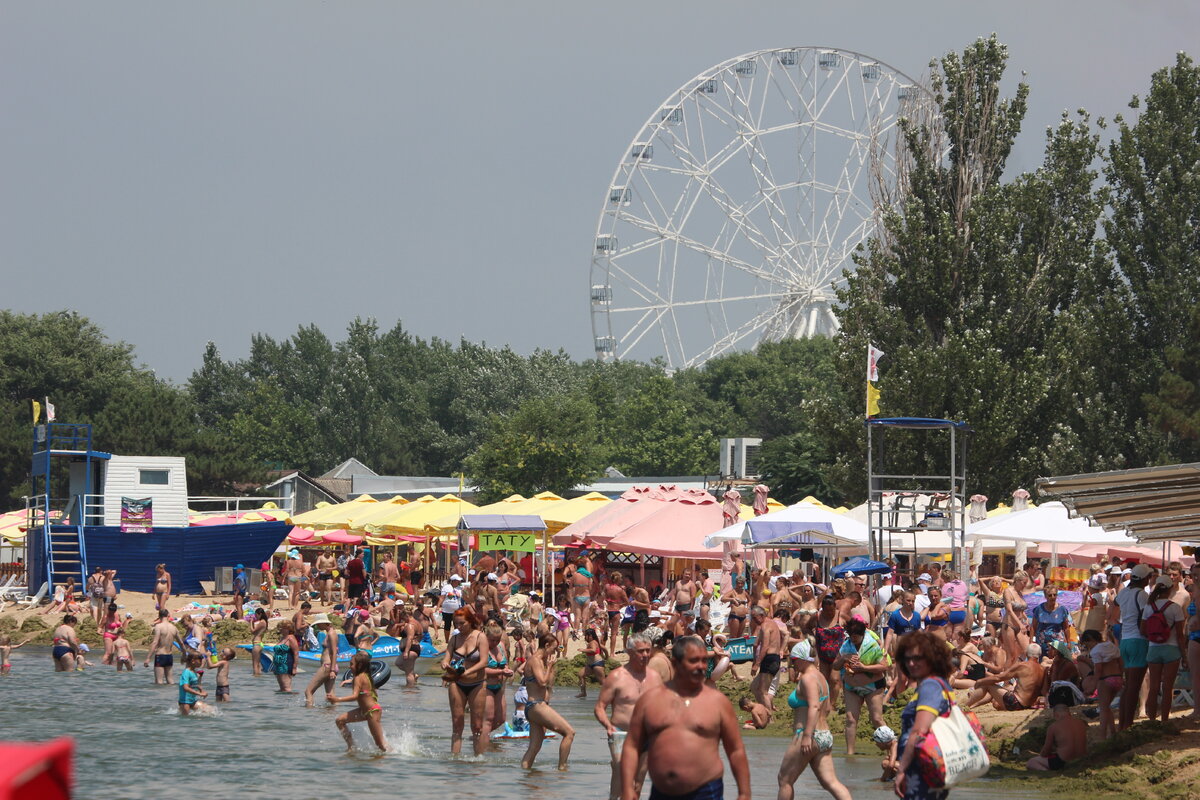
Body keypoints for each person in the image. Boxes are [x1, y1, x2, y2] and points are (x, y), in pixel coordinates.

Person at [621, 635, 750, 800]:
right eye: (694, 661)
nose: (701, 666)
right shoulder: (651, 700)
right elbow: (632, 746)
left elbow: (736, 750)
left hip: (706, 791)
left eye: (704, 661)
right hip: (662, 792)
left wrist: (744, 793)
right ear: (675, 663)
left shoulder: (718, 702)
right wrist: (626, 789)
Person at [777, 638, 852, 800]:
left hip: (808, 735)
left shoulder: (808, 678)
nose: (792, 664)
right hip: (824, 736)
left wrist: (806, 736)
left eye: (794, 660)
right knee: (831, 783)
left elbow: (814, 707)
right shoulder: (821, 678)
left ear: (804, 659)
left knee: (784, 779)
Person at [595, 631, 662, 800]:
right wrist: (608, 726)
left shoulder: (654, 677)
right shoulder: (617, 677)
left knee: (637, 783)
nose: (646, 655)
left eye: (648, 650)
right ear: (630, 652)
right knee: (621, 770)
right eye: (641, 651)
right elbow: (600, 707)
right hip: (620, 733)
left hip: (646, 735)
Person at [893, 630, 956, 800]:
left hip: (923, 768)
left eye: (918, 658)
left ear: (932, 658)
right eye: (907, 659)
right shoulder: (938, 684)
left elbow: (919, 730)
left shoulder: (930, 686)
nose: (911, 663)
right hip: (931, 766)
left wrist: (901, 769)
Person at [834, 618, 890, 755]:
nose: (853, 639)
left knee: (876, 718)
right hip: (851, 687)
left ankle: (892, 748)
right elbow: (835, 666)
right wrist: (844, 658)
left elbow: (884, 666)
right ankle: (850, 754)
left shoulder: (872, 645)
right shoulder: (846, 646)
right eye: (851, 636)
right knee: (850, 719)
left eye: (856, 637)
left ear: (862, 634)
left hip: (873, 687)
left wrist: (864, 667)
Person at [521, 632, 576, 770]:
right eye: (554, 648)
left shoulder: (542, 661)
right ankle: (562, 769)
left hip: (537, 706)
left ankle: (525, 776)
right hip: (536, 705)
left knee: (534, 747)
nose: (555, 651)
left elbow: (549, 684)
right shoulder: (534, 660)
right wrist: (549, 667)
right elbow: (542, 682)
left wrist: (551, 667)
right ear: (546, 645)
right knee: (569, 732)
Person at [443, 606, 489, 756]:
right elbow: (446, 658)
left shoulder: (480, 636)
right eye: (456, 624)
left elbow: (483, 662)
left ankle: (478, 759)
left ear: (470, 621)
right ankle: (454, 759)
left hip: (477, 683)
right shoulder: (455, 638)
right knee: (457, 724)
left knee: (477, 726)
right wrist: (445, 665)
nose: (458, 627)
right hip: (457, 684)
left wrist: (467, 672)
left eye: (462, 623)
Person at [1142, 574, 1186, 722]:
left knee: (1154, 687)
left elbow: (1143, 630)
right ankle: (1165, 720)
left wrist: (1154, 636)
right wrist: (1184, 656)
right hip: (1171, 649)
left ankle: (1152, 720)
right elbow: (1180, 635)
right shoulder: (1175, 608)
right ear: (1170, 589)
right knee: (1168, 688)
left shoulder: (1149, 607)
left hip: (1153, 649)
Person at [327, 651, 388, 753]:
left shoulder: (358, 678)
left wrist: (337, 699)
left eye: (351, 664)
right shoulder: (365, 675)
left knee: (380, 745)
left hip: (372, 712)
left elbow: (355, 696)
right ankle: (351, 747)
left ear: (359, 665)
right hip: (364, 711)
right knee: (340, 721)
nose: (349, 666)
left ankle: (388, 759)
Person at [1117, 563, 1153, 730]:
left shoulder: (1123, 592)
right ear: (1145, 578)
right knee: (1134, 686)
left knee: (1128, 685)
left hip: (1125, 640)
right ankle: (1128, 725)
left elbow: (1116, 606)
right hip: (1138, 640)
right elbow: (1144, 620)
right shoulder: (1142, 595)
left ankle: (1123, 723)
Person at [966, 643, 1045, 712]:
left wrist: (980, 681)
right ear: (1039, 654)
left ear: (1026, 653)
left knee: (987, 684)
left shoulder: (1023, 666)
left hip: (1016, 703)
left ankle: (965, 706)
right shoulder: (1042, 669)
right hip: (1027, 705)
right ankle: (972, 705)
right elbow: (1044, 690)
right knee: (996, 704)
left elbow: (999, 678)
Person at [1026, 684, 1088, 771]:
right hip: (1081, 760)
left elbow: (1045, 751)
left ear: (1056, 715)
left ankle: (1046, 772)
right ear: (1069, 713)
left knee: (1031, 762)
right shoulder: (1081, 723)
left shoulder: (1053, 727)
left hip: (1063, 762)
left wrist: (1042, 755)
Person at [1079, 629, 1121, 738]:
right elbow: (1120, 662)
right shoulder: (1111, 646)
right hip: (1117, 678)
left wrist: (1092, 687)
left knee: (1103, 709)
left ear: (1090, 640)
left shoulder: (1095, 651)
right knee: (1107, 707)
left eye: (1086, 644)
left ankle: (1102, 736)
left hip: (1105, 679)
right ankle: (1113, 732)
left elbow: (1098, 670)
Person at [304, 613, 340, 707]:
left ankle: (309, 712)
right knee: (330, 695)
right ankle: (332, 715)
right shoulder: (330, 633)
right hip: (331, 666)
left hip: (328, 666)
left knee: (308, 691)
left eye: (319, 624)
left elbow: (334, 652)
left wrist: (332, 670)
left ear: (324, 623)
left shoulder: (331, 634)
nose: (318, 626)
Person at [1032, 586, 1073, 655]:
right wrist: (1031, 641)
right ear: (1045, 596)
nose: (1053, 597)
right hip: (1042, 643)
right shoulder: (1039, 609)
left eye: (1055, 595)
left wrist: (1068, 642)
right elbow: (1033, 626)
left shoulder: (1062, 609)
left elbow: (1066, 628)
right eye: (1050, 595)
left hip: (1057, 643)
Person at [144, 609, 181, 684]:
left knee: (159, 681)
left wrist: (148, 658)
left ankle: (159, 695)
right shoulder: (174, 628)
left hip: (160, 655)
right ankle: (171, 694)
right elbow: (181, 643)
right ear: (168, 616)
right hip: (169, 656)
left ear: (159, 616)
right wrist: (184, 654)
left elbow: (155, 642)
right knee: (170, 680)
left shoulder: (158, 627)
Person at [578, 627, 609, 697]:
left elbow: (593, 650)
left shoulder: (593, 643)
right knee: (581, 675)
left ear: (591, 636)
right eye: (585, 635)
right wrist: (607, 656)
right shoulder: (596, 642)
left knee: (602, 682)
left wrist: (583, 650)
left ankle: (610, 695)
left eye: (587, 635)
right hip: (590, 664)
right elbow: (604, 648)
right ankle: (583, 693)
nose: (585, 637)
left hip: (597, 663)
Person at [272, 620, 299, 693]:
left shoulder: (291, 638)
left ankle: (291, 702)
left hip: (286, 664)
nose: (280, 629)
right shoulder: (282, 638)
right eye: (280, 628)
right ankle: (281, 703)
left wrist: (294, 668)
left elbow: (296, 653)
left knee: (286, 688)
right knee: (281, 689)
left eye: (282, 628)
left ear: (288, 628)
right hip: (278, 665)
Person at [439, 573, 465, 643]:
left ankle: (457, 639)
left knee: (457, 625)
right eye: (457, 581)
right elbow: (442, 598)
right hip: (447, 610)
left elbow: (464, 596)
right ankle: (447, 640)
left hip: (457, 610)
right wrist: (438, 606)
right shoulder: (446, 587)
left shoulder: (461, 588)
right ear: (453, 581)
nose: (459, 582)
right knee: (447, 625)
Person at [250, 607, 269, 677]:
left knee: (255, 663)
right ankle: (259, 676)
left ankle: (256, 676)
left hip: (257, 644)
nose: (255, 617)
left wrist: (251, 622)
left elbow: (253, 631)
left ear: (260, 614)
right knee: (258, 663)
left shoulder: (262, 622)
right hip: (259, 643)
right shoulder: (264, 622)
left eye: (256, 615)